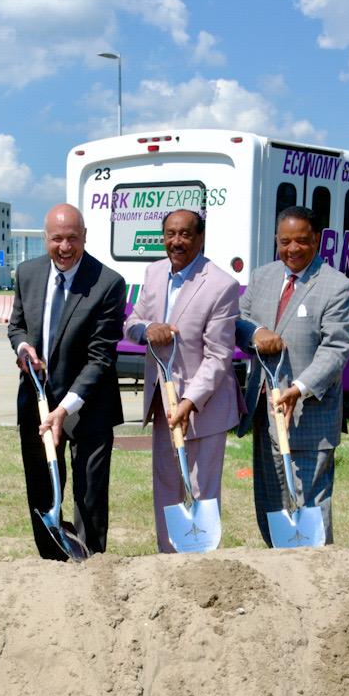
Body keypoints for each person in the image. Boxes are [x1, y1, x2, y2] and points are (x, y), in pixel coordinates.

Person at [234, 205, 349, 546]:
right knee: (271, 501)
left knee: (309, 506)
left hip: (308, 413)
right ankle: (279, 570)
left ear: (316, 240)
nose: (292, 249)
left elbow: (337, 350)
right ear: (276, 239)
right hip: (265, 410)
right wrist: (257, 331)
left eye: (302, 241)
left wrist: (300, 388)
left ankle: (316, 579)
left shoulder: (337, 287)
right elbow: (239, 323)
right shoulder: (262, 278)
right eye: (285, 240)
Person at [8, 202, 127, 558]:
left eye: (72, 238)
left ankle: (91, 566)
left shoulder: (107, 284)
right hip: (37, 401)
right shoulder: (27, 273)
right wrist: (24, 346)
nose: (64, 247)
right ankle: (52, 563)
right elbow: (16, 326)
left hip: (87, 407)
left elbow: (101, 358)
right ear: (45, 238)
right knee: (42, 491)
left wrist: (65, 408)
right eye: (56, 238)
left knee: (89, 496)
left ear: (85, 237)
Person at [124, 208, 245, 553]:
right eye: (170, 234)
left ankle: (200, 568)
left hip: (202, 408)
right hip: (163, 402)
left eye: (185, 234)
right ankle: (168, 560)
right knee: (166, 487)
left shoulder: (221, 284)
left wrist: (190, 401)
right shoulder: (154, 272)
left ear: (201, 238)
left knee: (201, 491)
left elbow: (219, 355)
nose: (176, 242)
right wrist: (148, 329)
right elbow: (132, 323)